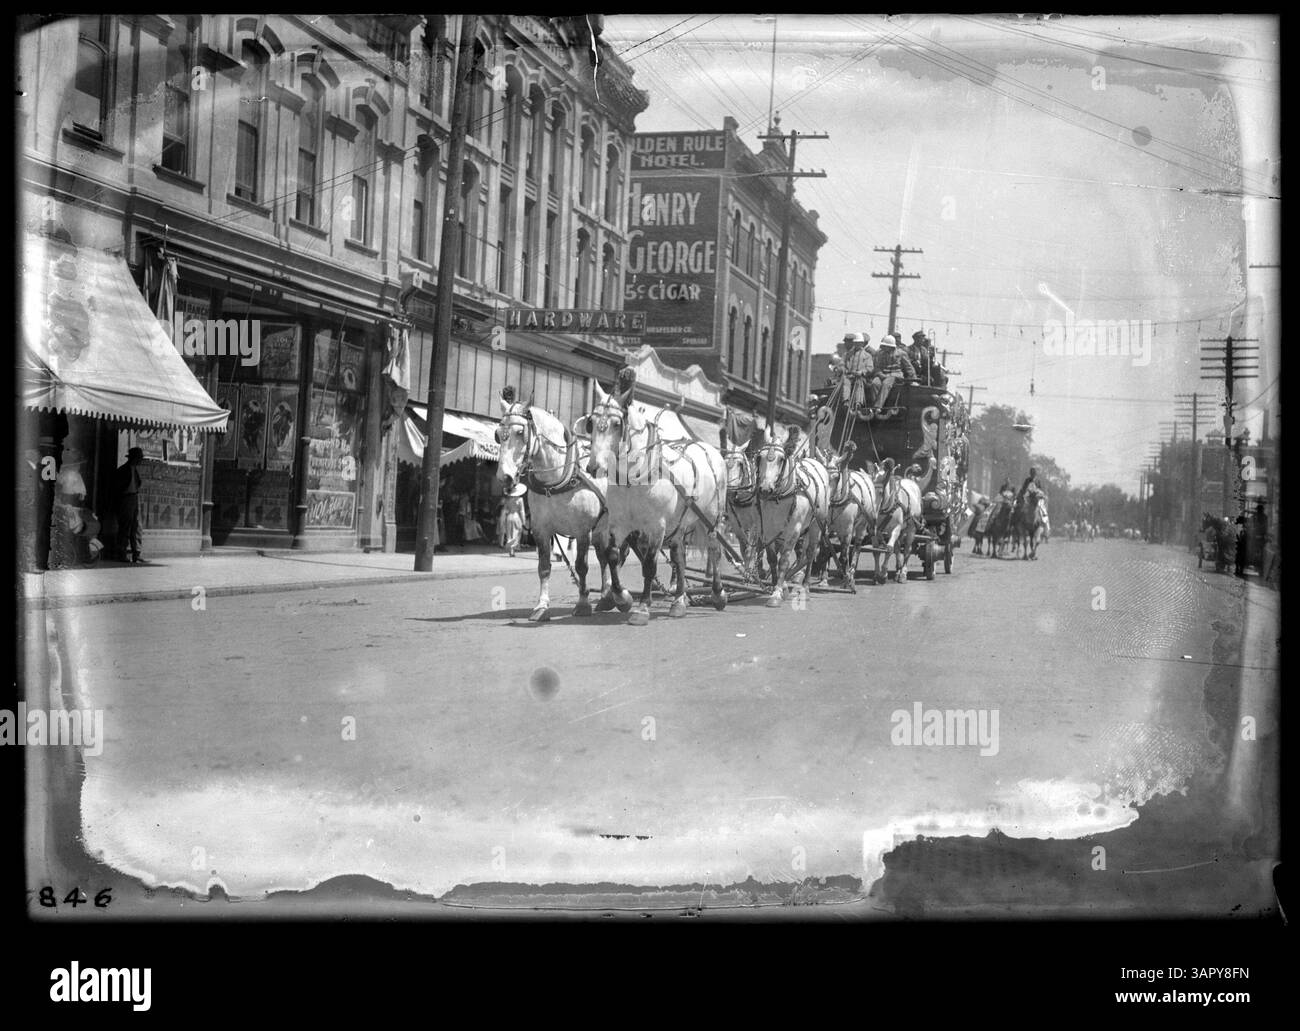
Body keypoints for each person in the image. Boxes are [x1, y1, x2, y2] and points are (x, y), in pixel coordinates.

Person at [868, 335, 916, 418]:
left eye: (886, 346)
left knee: (886, 383)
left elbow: (909, 367)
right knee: (875, 383)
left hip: (895, 375)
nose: (884, 348)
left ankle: (877, 407)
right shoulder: (880, 354)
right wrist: (880, 374)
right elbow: (877, 367)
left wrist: (913, 379)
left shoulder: (901, 353)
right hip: (883, 374)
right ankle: (875, 406)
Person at [115, 446, 145, 563]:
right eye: (139, 458)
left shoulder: (135, 470)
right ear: (134, 458)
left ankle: (136, 553)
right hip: (125, 498)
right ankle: (122, 553)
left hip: (134, 497)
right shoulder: (123, 470)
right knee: (125, 526)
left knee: (136, 526)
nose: (140, 461)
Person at [842, 332, 874, 412]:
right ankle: (846, 401)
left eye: (859, 343)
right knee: (846, 382)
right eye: (856, 343)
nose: (857, 344)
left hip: (861, 377)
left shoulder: (867, 355)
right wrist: (844, 370)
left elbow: (870, 368)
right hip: (849, 376)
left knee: (859, 383)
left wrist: (862, 372)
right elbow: (842, 365)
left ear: (862, 343)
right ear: (854, 343)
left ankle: (858, 402)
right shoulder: (847, 354)